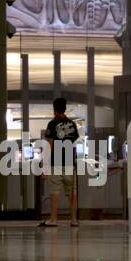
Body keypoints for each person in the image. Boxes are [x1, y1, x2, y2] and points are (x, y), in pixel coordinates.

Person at [39, 97, 80, 228]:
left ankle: (53, 219)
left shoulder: (52, 124)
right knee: (72, 192)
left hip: (56, 163)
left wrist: (45, 167)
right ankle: (74, 220)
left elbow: (50, 145)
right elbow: (74, 143)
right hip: (69, 162)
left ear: (54, 110)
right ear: (65, 108)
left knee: (55, 192)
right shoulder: (72, 125)